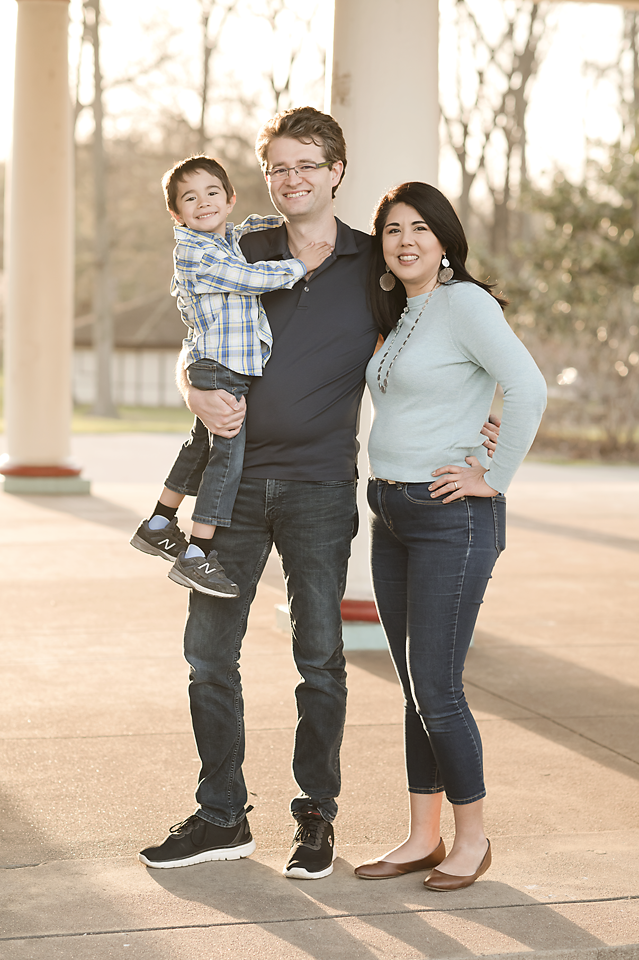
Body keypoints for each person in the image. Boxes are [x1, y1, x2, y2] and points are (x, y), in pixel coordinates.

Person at [138, 109, 500, 879]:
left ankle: (314, 818)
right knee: (208, 657)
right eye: (278, 167)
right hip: (230, 486)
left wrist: (488, 419)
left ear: (336, 170)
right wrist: (189, 389)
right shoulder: (241, 244)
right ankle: (219, 816)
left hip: (319, 488)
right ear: (264, 176)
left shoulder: (378, 264)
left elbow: (450, 331)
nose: (292, 179)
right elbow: (195, 324)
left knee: (320, 661)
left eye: (307, 165)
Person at [354, 182, 547, 890]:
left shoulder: (463, 302)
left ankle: (473, 840)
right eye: (392, 230)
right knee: (412, 688)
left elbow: (526, 387)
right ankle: (420, 837)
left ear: (443, 240)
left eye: (419, 228)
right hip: (391, 511)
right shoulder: (402, 311)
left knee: (437, 686)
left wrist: (492, 474)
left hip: (449, 518)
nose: (405, 239)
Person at [130, 155, 332, 597]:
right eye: (189, 198)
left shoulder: (226, 237)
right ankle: (198, 554)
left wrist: (292, 222)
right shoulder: (196, 250)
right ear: (176, 214)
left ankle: (159, 522)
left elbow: (255, 228)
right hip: (220, 367)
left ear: (230, 199)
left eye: (212, 193)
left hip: (222, 365)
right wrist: (302, 264)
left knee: (201, 444)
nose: (203, 203)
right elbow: (245, 278)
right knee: (227, 460)